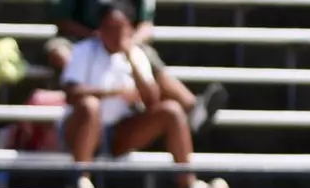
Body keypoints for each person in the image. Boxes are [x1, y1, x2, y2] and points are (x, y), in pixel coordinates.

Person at [59, 1, 227, 188]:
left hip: (118, 133)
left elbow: (151, 101)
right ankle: (81, 180)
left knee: (171, 111)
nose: (114, 33)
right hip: (79, 131)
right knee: (90, 106)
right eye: (109, 28)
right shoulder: (83, 50)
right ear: (100, 29)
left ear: (130, 29)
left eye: (119, 28)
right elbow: (71, 94)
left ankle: (189, 184)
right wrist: (112, 93)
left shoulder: (137, 54)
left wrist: (130, 56)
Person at [52, 0, 226, 131]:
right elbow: (63, 20)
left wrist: (126, 43)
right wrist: (100, 36)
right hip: (79, 39)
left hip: (123, 41)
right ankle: (83, 94)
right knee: (58, 50)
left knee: (146, 55)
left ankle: (193, 108)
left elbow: (146, 26)